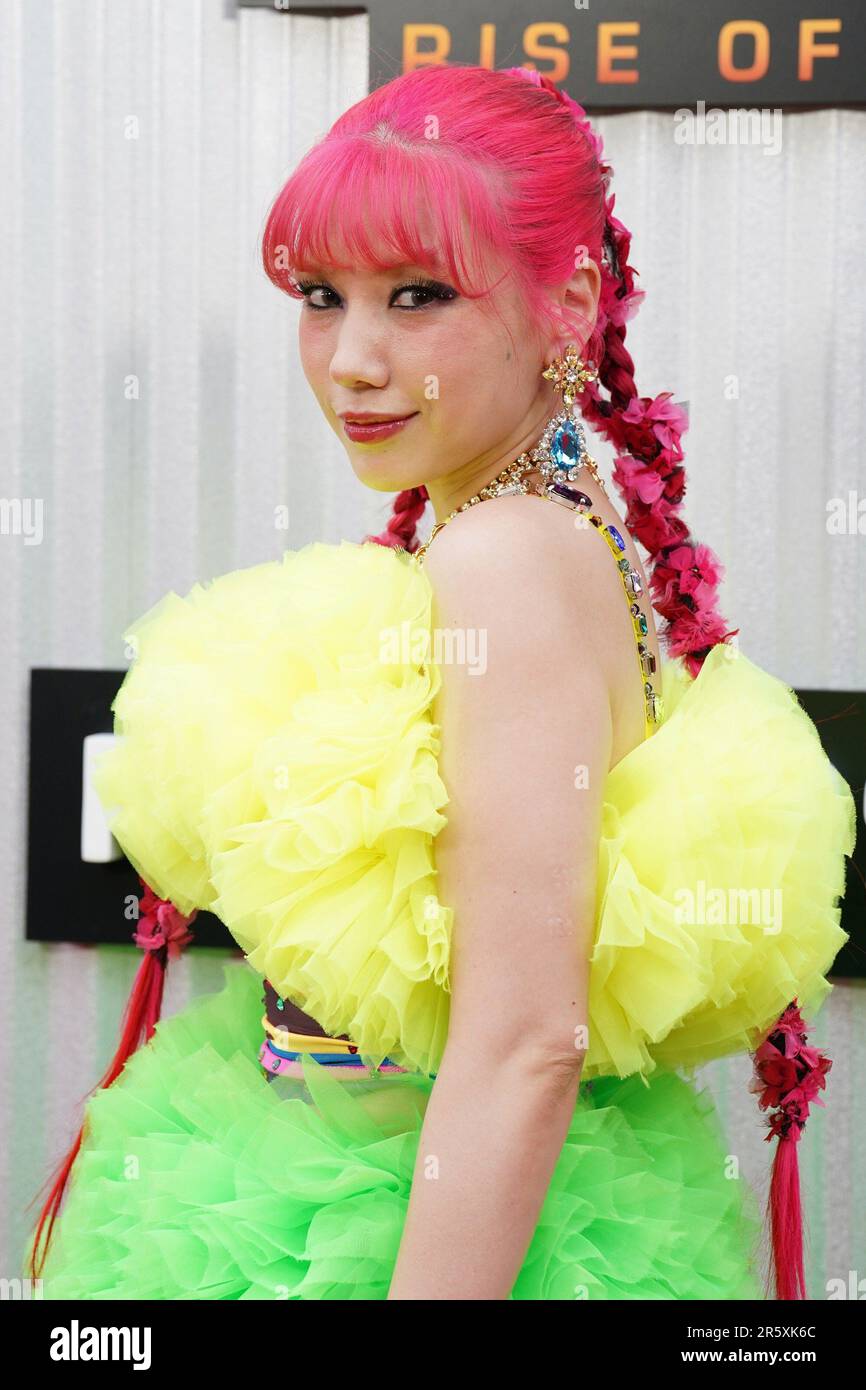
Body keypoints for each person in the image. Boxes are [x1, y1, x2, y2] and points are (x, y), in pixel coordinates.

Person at [25, 64, 856, 1301]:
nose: (353, 359)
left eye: (415, 298)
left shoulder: (506, 557)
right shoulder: (541, 526)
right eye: (321, 296)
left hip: (408, 1243)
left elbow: (525, 1038)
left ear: (567, 302)